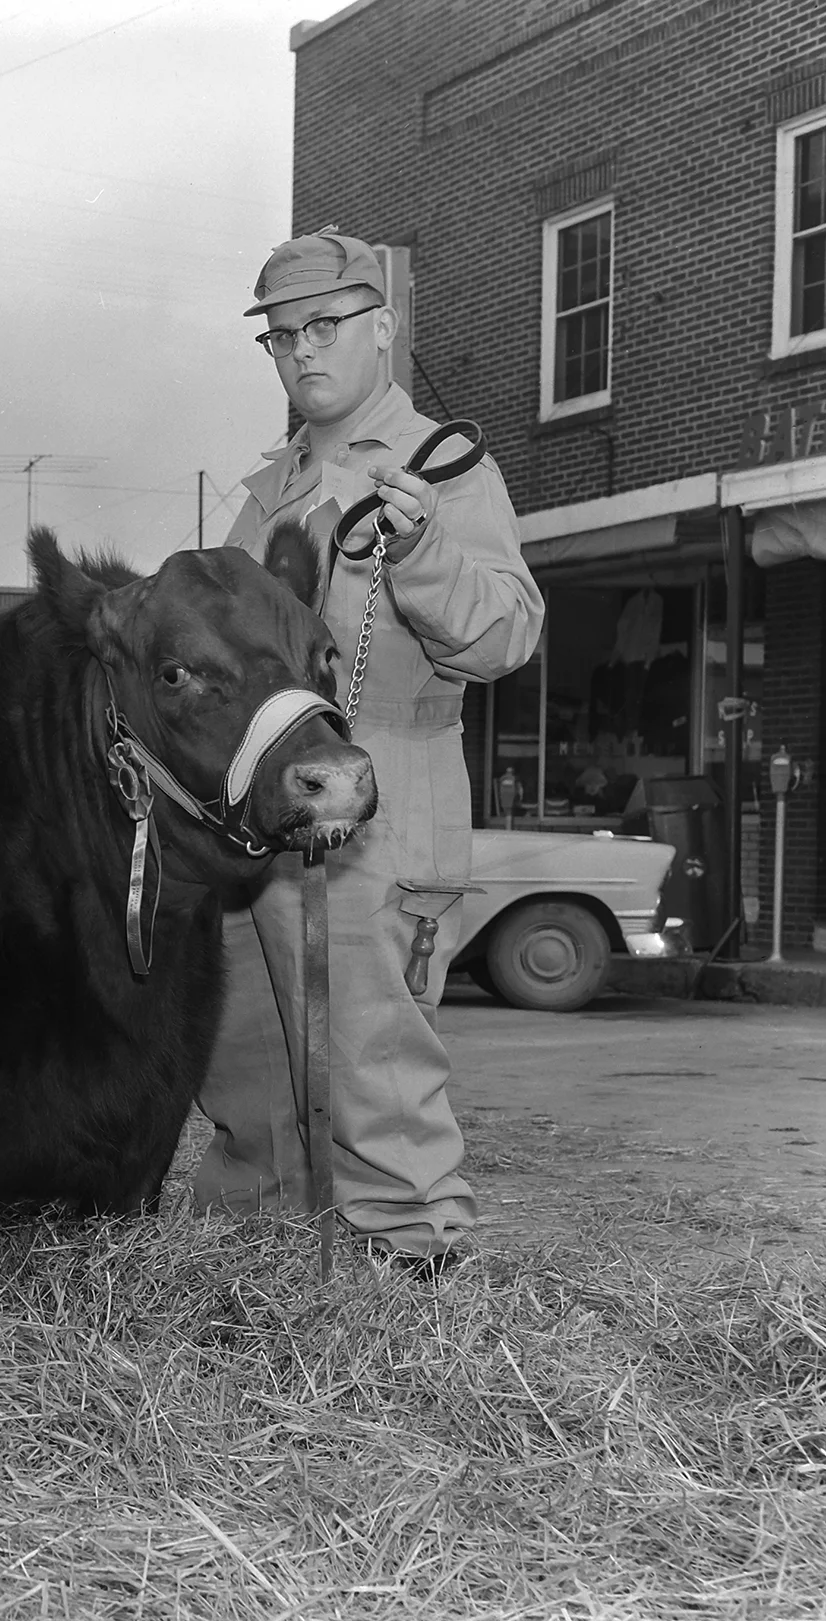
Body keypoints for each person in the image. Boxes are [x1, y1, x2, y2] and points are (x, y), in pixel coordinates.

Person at [193, 230, 544, 1272]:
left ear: (381, 329)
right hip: (259, 806)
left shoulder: (442, 470)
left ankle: (415, 1269)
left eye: (324, 328)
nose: (301, 353)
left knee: (371, 1059)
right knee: (245, 1048)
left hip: (378, 801)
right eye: (282, 336)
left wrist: (428, 553)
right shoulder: (267, 491)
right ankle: (254, 1259)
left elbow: (508, 636)